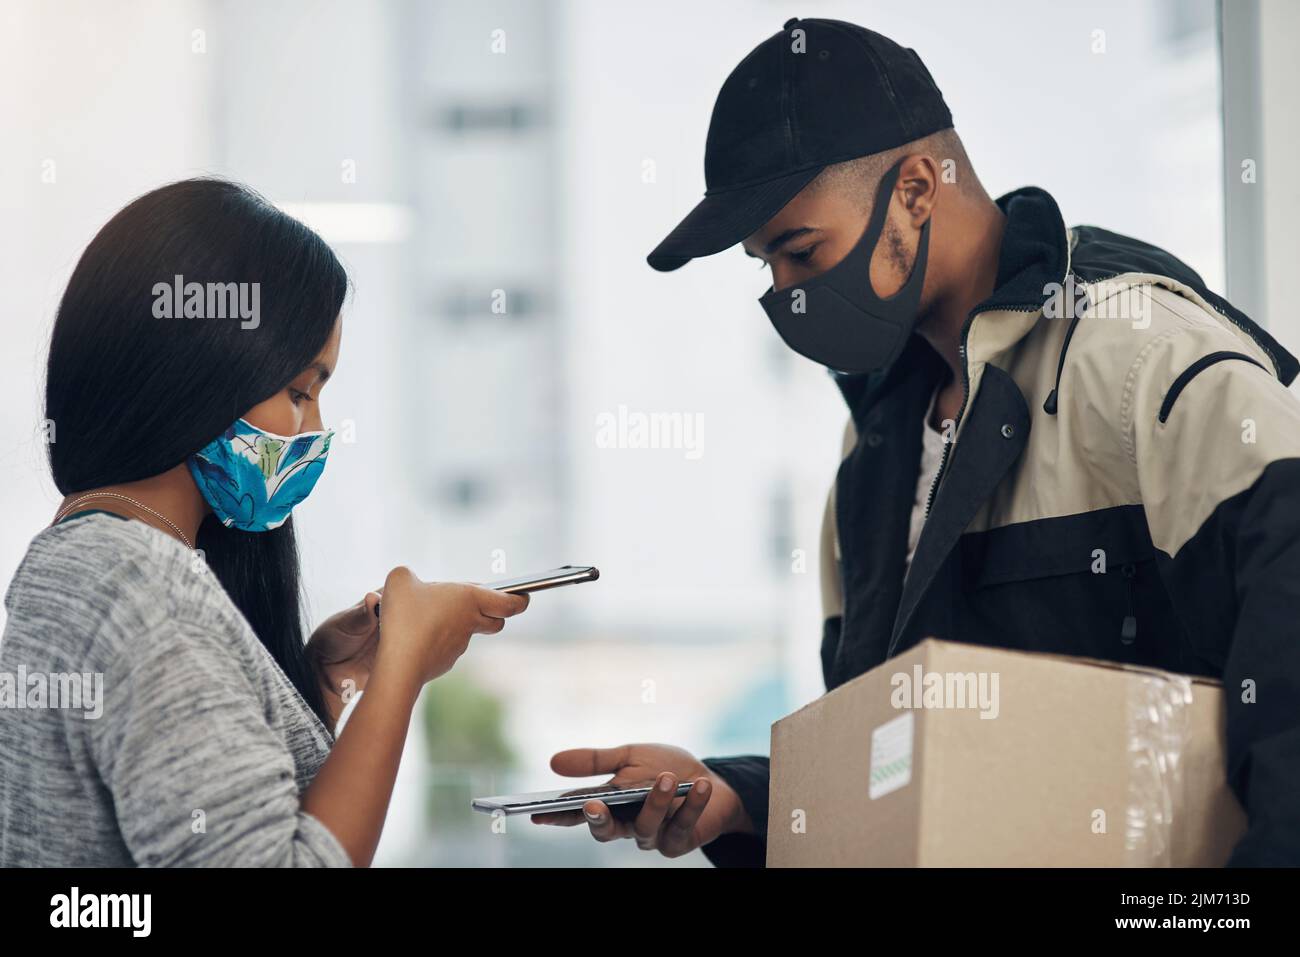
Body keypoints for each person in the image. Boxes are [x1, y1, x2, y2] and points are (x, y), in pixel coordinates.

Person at [535, 17, 1300, 866]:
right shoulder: (868, 468)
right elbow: (898, 771)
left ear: (915, 191)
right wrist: (741, 800)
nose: (786, 293)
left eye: (800, 250)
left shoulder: (1145, 361)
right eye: (767, 267)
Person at [0, 178, 529, 866]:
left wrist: (320, 682)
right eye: (300, 391)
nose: (313, 430)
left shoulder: (86, 558)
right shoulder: (138, 580)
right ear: (200, 366)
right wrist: (402, 668)